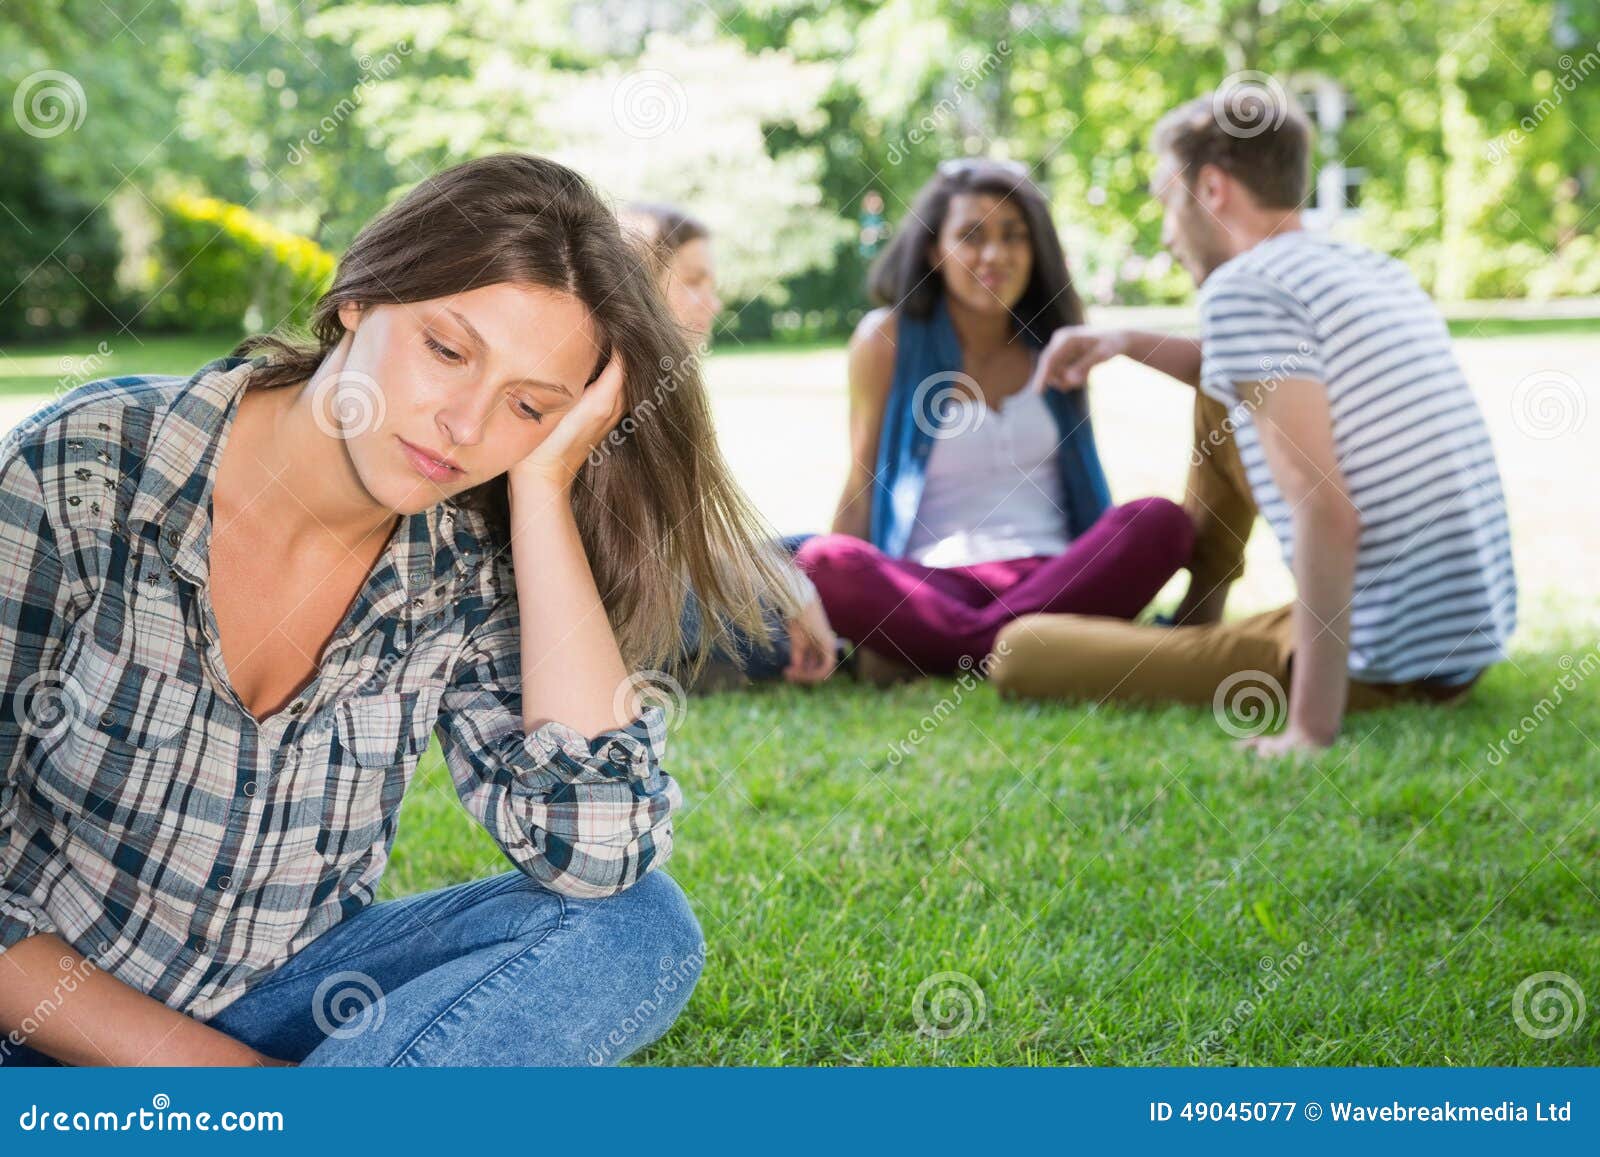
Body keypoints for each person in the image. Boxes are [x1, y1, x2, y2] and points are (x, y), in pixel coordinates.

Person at [0, 153, 794, 1066]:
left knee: (641, 927)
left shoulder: (461, 559)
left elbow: (601, 847)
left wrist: (540, 489)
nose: (464, 425)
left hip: (287, 997)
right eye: (447, 351)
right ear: (360, 298)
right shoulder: (87, 470)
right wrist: (243, 1085)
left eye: (527, 405)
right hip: (39, 1021)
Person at [990, 82, 1517, 756]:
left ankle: (1206, 643)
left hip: (1388, 658)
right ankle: (1196, 622)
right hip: (1454, 640)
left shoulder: (1244, 287)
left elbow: (1327, 512)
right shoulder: (1366, 266)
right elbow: (1250, 378)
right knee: (1221, 389)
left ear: (1211, 189)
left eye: (1165, 197)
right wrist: (1122, 342)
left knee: (1021, 651)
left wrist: (1308, 730)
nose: (1165, 228)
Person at [794, 159, 1198, 680]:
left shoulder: (1057, 343)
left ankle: (966, 651)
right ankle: (1025, 649)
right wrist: (832, 603)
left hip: (1057, 572)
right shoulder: (886, 340)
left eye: (1014, 237)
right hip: (933, 586)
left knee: (1158, 521)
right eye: (970, 236)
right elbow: (862, 483)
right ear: (934, 250)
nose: (995, 255)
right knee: (823, 560)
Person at [617, 202, 837, 686]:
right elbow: (693, 544)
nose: (712, 303)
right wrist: (794, 594)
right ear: (638, 284)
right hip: (627, 600)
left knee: (815, 552)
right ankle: (846, 651)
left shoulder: (669, 382)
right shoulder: (623, 389)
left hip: (670, 580)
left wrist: (792, 584)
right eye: (694, 282)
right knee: (791, 597)